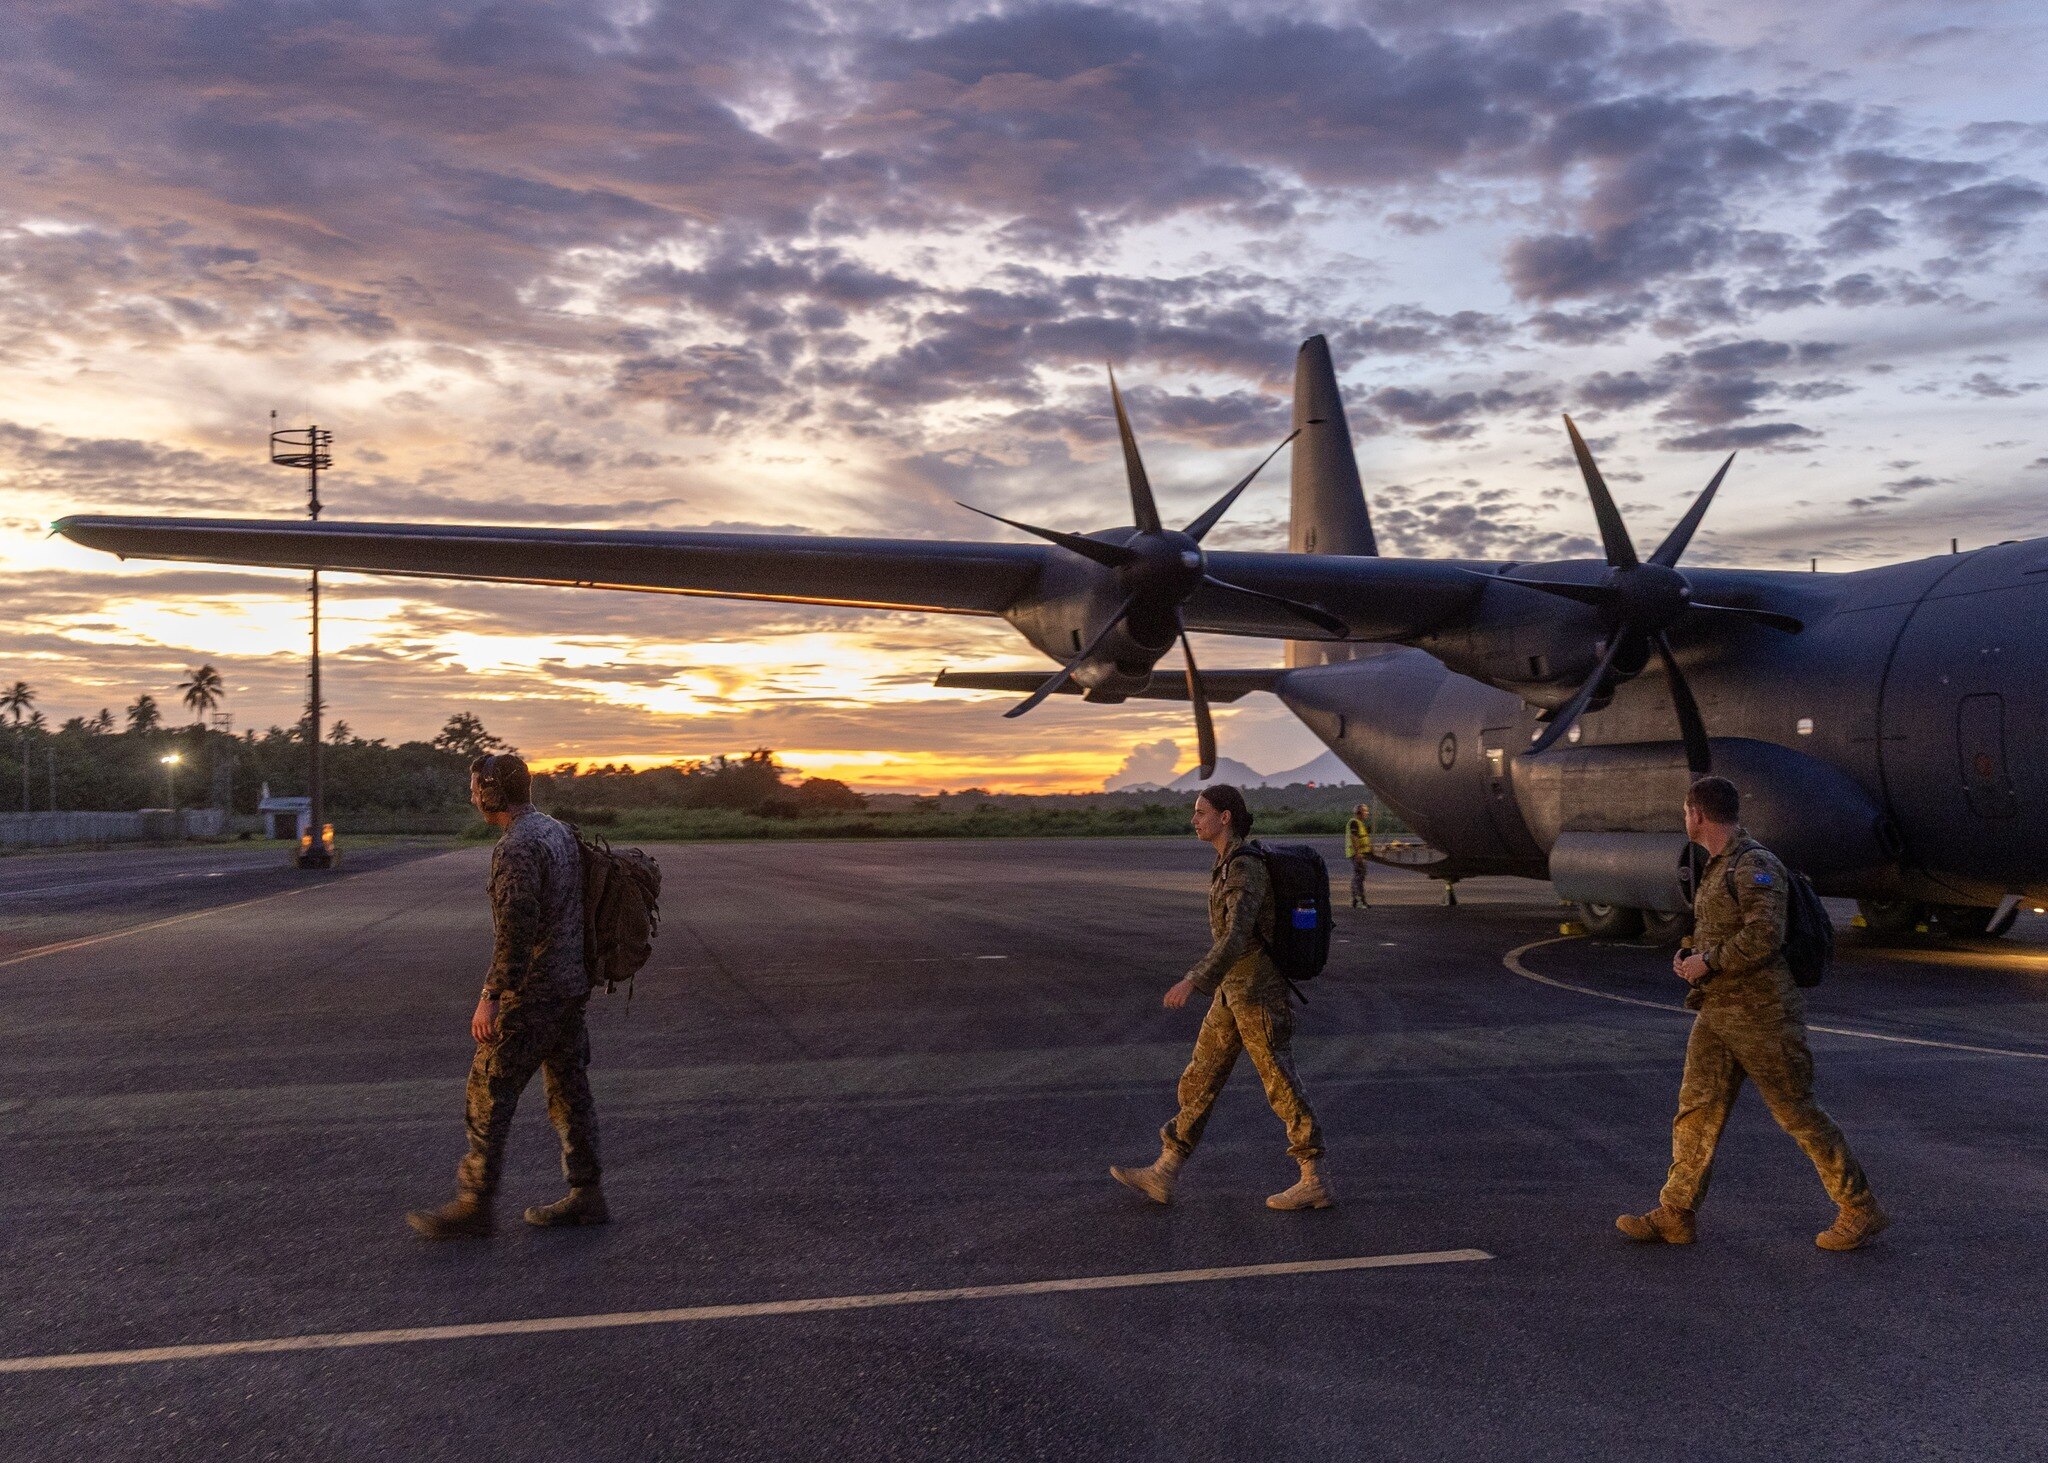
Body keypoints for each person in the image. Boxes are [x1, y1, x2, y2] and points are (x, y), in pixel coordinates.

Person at [1617, 775, 1886, 1252]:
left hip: (1763, 1016)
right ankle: (1676, 1212)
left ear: (1697, 814)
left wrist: (1710, 960)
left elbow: (1765, 936)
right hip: (1719, 1012)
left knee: (1797, 1112)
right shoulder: (1719, 866)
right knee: (1696, 1111)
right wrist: (1691, 957)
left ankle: (1859, 1208)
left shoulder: (1754, 864)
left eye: (1685, 813)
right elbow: (1722, 930)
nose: (1685, 820)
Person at [408, 753, 606, 1239]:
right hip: (569, 986)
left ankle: (474, 1204)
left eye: (477, 787)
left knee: (488, 1091)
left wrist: (492, 993)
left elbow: (517, 928)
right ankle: (587, 1193)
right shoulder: (557, 831)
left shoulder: (517, 847)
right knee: (568, 1089)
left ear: (494, 792)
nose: (472, 795)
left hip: (533, 993)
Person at [1111, 785, 1331, 1211]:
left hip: (1257, 993)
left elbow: (1237, 936)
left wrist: (1193, 980)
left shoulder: (1245, 868)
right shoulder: (1227, 865)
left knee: (1280, 1084)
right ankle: (1165, 1171)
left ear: (1225, 817)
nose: (1194, 820)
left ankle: (1313, 1178)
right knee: (1200, 1077)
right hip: (1233, 993)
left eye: (1201, 812)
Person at [1345, 802, 1373, 908]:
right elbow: (1354, 838)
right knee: (1359, 876)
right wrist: (1358, 853)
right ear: (1359, 812)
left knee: (1359, 876)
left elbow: (1362, 837)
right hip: (1356, 854)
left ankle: (1356, 900)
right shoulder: (1354, 822)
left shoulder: (1359, 823)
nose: (1367, 813)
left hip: (1359, 853)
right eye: (1365, 811)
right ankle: (1359, 901)